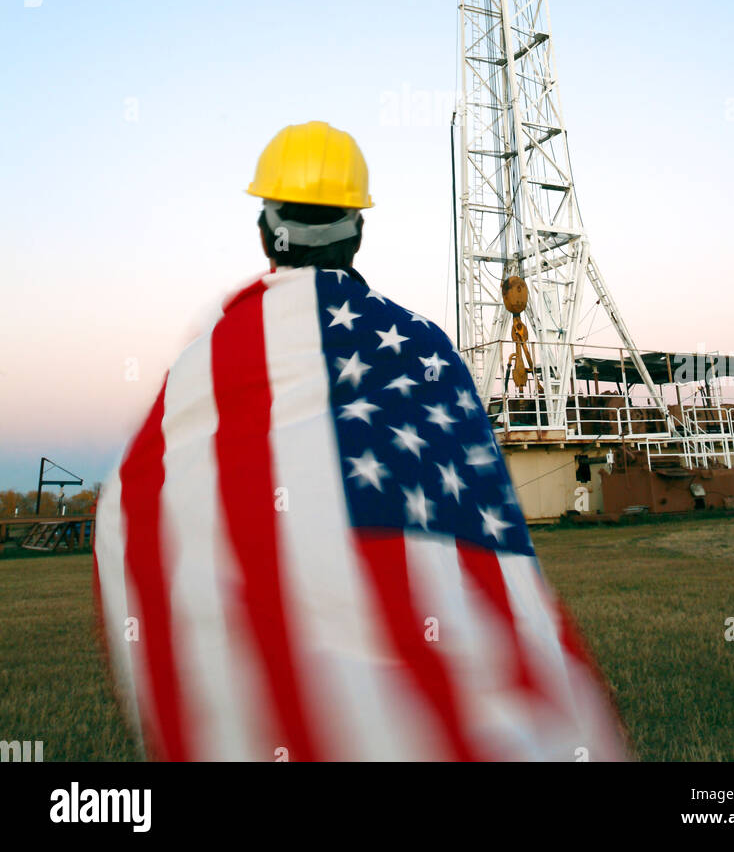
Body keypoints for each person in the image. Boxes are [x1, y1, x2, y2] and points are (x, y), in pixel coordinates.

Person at [95, 120, 627, 762]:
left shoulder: (199, 368)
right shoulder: (425, 349)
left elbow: (138, 497)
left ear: (266, 231)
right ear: (360, 230)